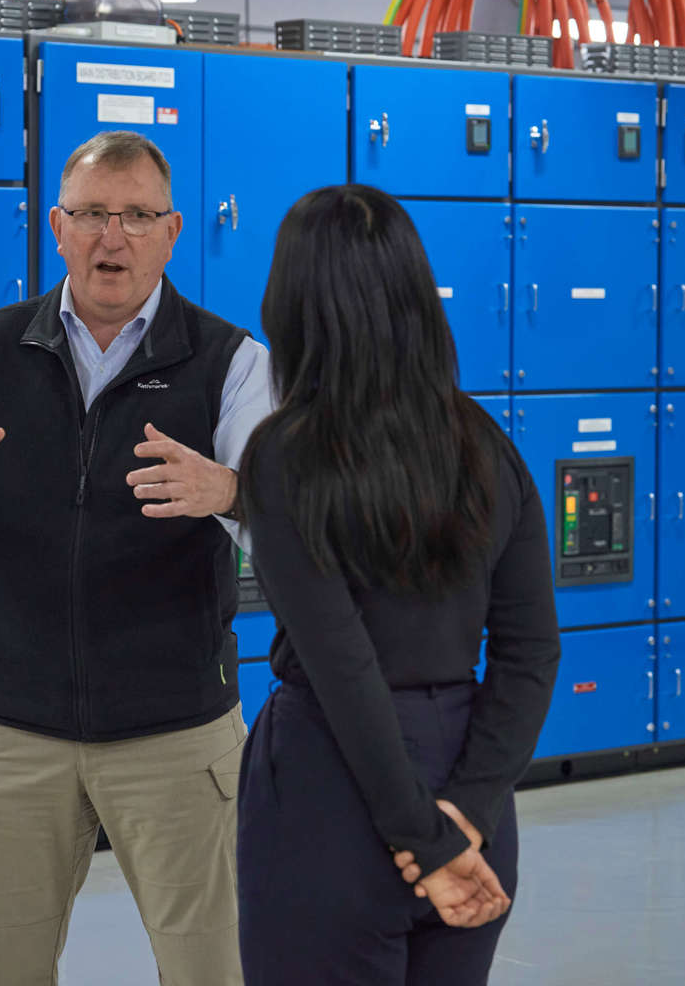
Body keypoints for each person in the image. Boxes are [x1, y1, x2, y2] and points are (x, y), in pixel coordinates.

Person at [0, 129, 271, 986]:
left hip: (176, 732)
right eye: (91, 214)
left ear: (172, 232)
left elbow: (295, 533)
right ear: (56, 228)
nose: (111, 237)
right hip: (11, 732)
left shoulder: (232, 364)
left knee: (212, 969)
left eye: (137, 216)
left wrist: (229, 491)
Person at [234, 183, 561, 985]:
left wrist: (423, 839)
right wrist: (467, 814)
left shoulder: (285, 457)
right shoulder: (489, 446)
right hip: (472, 802)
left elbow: (345, 670)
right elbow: (531, 654)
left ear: (295, 307)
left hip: (333, 796)